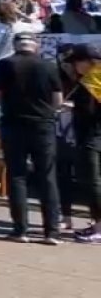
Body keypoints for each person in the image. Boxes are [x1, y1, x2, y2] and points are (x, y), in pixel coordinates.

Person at [0, 31, 63, 244]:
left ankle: (20, 230)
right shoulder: (48, 65)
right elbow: (57, 100)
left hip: (14, 124)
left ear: (15, 45)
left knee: (17, 176)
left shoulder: (5, 64)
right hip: (43, 125)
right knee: (47, 177)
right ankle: (52, 231)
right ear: (35, 46)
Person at [62, 44, 101, 243]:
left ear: (86, 62)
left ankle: (99, 226)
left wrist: (71, 106)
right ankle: (96, 224)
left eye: (76, 62)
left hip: (92, 136)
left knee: (93, 182)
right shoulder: (95, 78)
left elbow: (90, 112)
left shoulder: (93, 80)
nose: (74, 67)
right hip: (94, 135)